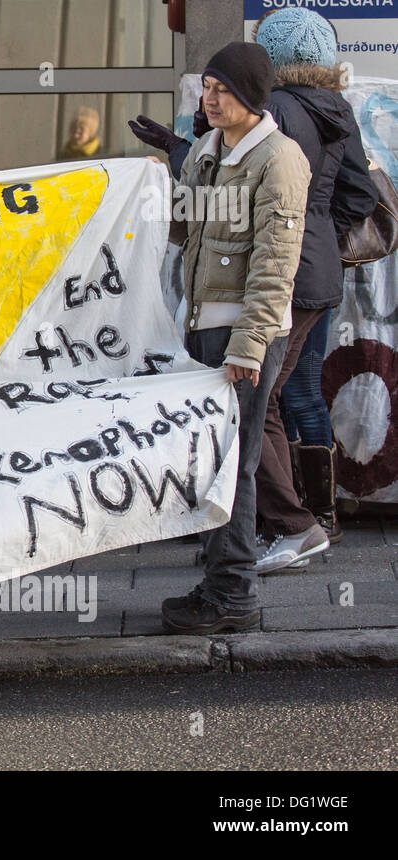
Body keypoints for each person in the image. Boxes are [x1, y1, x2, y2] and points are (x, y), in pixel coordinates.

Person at [130, 10, 377, 568]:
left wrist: (175, 149)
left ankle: (291, 526)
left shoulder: (279, 114)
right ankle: (308, 520)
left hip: (277, 275)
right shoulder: (336, 110)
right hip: (315, 276)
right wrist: (318, 232)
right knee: (293, 393)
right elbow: (359, 196)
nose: (217, 101)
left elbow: (230, 181)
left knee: (253, 405)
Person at [159, 42, 310, 635]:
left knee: (234, 464)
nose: (210, 98)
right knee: (212, 460)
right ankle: (222, 581)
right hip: (203, 327)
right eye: (207, 87)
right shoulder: (208, 149)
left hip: (243, 337)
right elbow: (183, 225)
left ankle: (235, 595)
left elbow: (276, 264)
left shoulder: (280, 159)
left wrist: (248, 349)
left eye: (222, 90)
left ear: (250, 95)